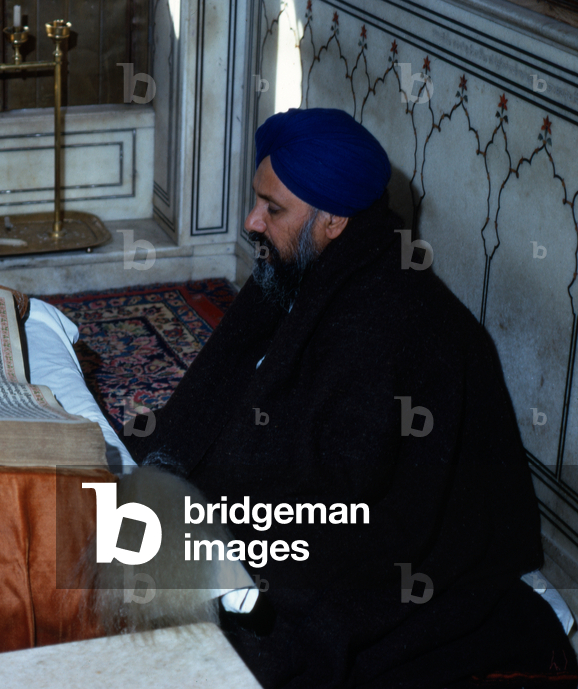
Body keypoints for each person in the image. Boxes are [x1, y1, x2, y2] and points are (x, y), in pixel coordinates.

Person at [128, 108, 576, 687]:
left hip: (406, 531)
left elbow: (346, 501)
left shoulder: (388, 323)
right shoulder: (300, 265)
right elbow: (219, 398)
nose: (251, 221)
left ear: (334, 220)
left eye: (273, 208)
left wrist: (214, 527)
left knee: (275, 632)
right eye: (256, 200)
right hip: (336, 504)